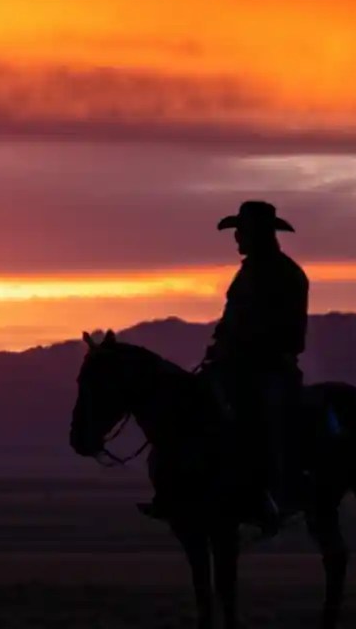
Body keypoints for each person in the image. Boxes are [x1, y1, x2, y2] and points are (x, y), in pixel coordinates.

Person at [139, 201, 308, 535]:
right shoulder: (247, 273)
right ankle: (175, 490)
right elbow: (232, 320)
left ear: (258, 233)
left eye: (241, 232)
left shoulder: (286, 274)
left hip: (269, 368)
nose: (236, 239)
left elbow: (287, 332)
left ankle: (271, 497)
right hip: (232, 365)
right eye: (237, 232)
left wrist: (243, 347)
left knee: (255, 421)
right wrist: (220, 345)